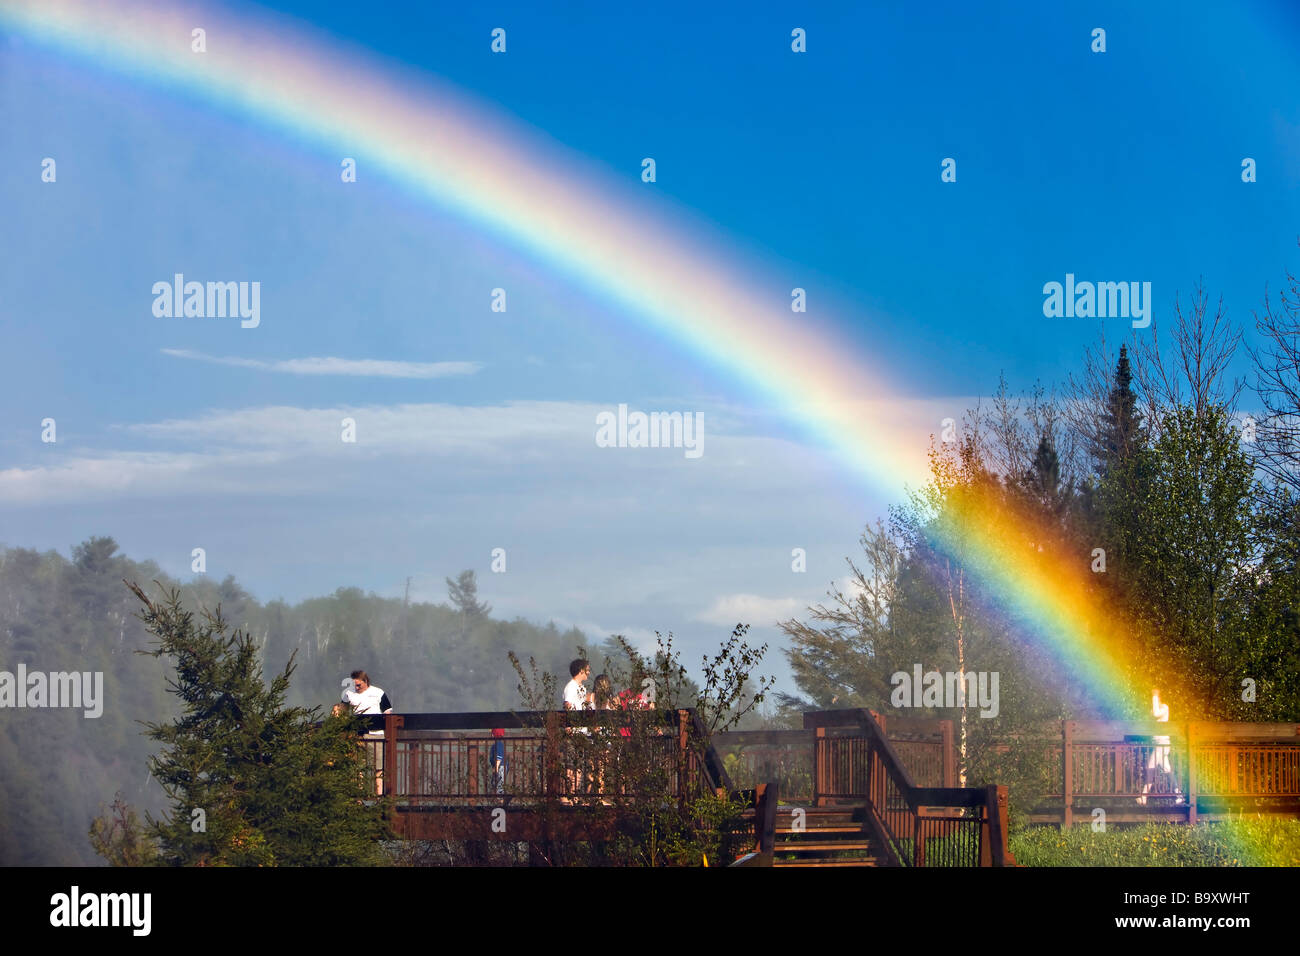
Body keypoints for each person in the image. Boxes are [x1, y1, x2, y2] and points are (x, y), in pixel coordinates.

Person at [342, 670, 392, 795]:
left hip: (376, 734)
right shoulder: (348, 694)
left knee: (378, 767)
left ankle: (379, 796)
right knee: (358, 767)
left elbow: (387, 712)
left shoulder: (378, 692)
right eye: (355, 685)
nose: (356, 687)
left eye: (359, 685)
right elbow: (342, 711)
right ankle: (358, 797)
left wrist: (385, 725)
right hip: (357, 735)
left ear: (366, 681)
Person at [1139, 687, 1182, 806]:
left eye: (1156, 698)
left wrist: (1155, 695)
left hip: (1163, 743)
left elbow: (1157, 714)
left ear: (1159, 698)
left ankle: (1144, 796)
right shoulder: (1154, 710)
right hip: (1158, 743)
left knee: (1150, 766)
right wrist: (1154, 698)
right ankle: (1179, 795)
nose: (1154, 701)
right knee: (1167, 769)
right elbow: (1154, 714)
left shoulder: (1164, 707)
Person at [562, 659, 591, 801]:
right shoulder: (571, 686)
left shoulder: (582, 688)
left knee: (578, 764)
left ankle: (575, 794)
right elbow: (567, 705)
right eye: (587, 670)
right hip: (573, 731)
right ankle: (568, 795)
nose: (589, 672)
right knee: (571, 764)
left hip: (582, 731)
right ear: (581, 670)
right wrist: (569, 725)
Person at [489, 728, 507, 795]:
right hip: (499, 767)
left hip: (500, 767)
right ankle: (498, 801)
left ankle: (499, 802)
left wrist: (496, 768)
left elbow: (499, 757)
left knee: (499, 786)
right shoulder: (498, 744)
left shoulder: (498, 744)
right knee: (497, 785)